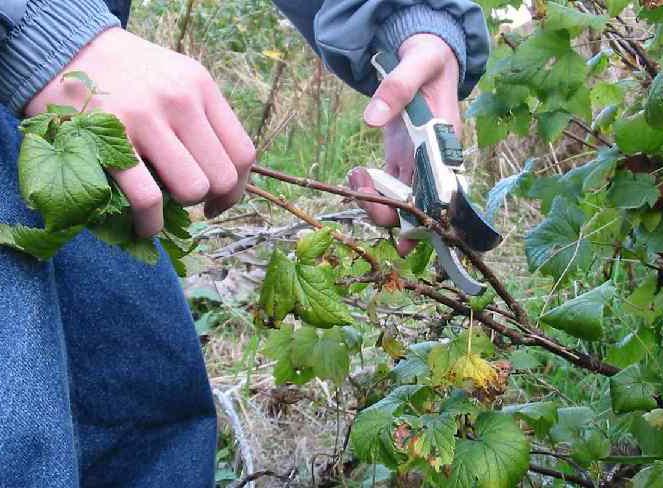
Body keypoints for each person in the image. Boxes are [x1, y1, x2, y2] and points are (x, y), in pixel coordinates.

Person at [0, 1, 488, 486]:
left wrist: (403, 19)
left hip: (75, 111)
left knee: (147, 418)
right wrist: (38, 28)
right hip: (54, 69)